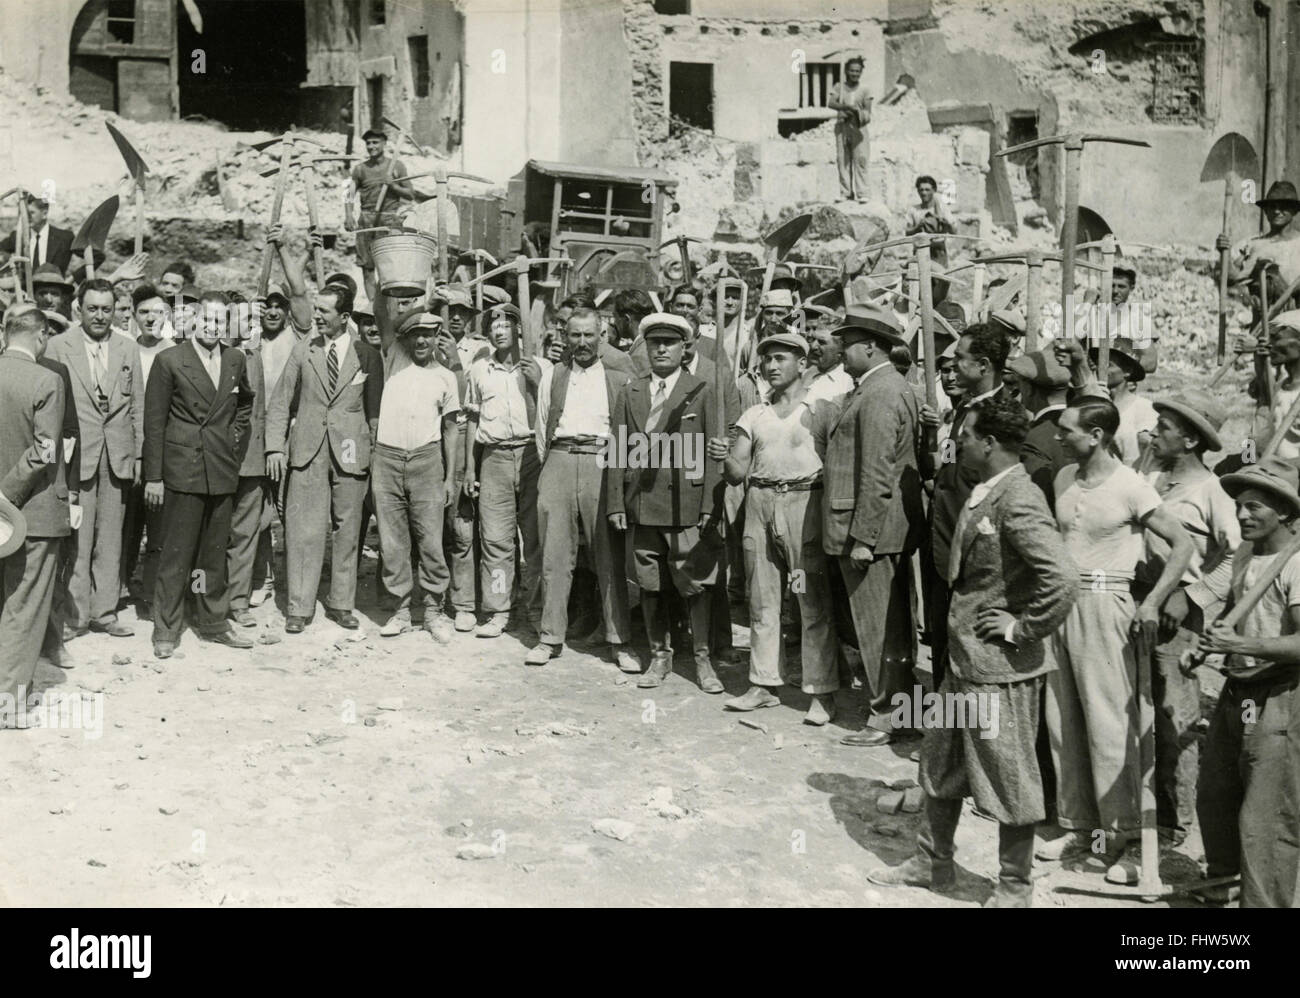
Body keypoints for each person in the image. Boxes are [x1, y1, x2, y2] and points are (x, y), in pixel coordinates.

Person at [868, 394, 1077, 907]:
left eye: (967, 434)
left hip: (999, 669)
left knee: (1009, 781)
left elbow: (1063, 579)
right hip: (965, 662)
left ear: (990, 442)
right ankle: (931, 863)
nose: (958, 439)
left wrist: (1021, 627)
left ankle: (1013, 889)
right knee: (939, 766)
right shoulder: (989, 489)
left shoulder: (1020, 498)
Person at [1037, 396, 1192, 865]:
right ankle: (1080, 828)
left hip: (1109, 605)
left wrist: (1152, 601)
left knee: (1110, 724)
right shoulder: (1064, 477)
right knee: (1062, 719)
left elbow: (1183, 544)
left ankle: (1122, 837)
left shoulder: (1132, 486)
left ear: (1097, 435)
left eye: (1067, 430)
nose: (1059, 438)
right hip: (1063, 604)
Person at [1135, 390, 1240, 846]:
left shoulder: (1211, 492)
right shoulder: (1152, 477)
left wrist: (1192, 598)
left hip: (1177, 620)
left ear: (1192, 441)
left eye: (1165, 428)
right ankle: (1139, 810)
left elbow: (1235, 556)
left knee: (1172, 715)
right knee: (1136, 709)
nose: (1154, 433)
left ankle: (1174, 822)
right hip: (1137, 605)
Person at [1196, 456, 1300, 908]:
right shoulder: (1244, 553)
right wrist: (1203, 645)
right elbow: (1233, 613)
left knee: (1267, 817)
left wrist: (1243, 644)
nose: (1242, 515)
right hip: (1237, 691)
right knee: (1217, 793)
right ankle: (1225, 881)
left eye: (1255, 507)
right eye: (1239, 505)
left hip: (1281, 694)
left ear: (1287, 514)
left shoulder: (1295, 565)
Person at [722, 329, 840, 724]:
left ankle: (821, 691)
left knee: (809, 600)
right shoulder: (754, 414)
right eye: (767, 360)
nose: (771, 366)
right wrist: (725, 457)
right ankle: (763, 683)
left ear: (802, 364)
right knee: (762, 600)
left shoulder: (820, 410)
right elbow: (738, 472)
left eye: (781, 359)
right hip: (759, 505)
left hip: (804, 508)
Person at [606, 314, 727, 692]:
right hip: (642, 502)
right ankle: (660, 655)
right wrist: (615, 504)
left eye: (670, 343)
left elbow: (712, 455)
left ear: (684, 348)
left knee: (693, 583)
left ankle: (703, 660)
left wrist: (709, 503)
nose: (661, 349)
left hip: (685, 505)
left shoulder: (703, 389)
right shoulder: (632, 391)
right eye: (655, 342)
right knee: (650, 583)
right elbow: (617, 449)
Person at [823, 305, 924, 745]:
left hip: (871, 534)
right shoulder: (880, 387)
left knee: (879, 628)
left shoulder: (881, 392)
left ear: (870, 347)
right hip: (876, 530)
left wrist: (863, 537)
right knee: (890, 628)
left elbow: (878, 471)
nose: (841, 353)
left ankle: (886, 716)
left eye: (847, 346)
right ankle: (900, 711)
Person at [142, 291, 255, 659]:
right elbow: (154, 423)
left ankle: (212, 621)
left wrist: (232, 441)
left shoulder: (236, 359)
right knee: (176, 554)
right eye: (206, 319)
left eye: (220, 321)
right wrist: (154, 476)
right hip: (182, 470)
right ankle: (167, 627)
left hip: (219, 469)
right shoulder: (169, 360)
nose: (212, 326)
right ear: (192, 320)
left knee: (211, 555)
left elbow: (244, 404)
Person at [266, 285, 382, 633]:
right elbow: (280, 402)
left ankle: (342, 603)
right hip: (307, 453)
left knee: (348, 532)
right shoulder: (304, 351)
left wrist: (374, 457)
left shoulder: (367, 355)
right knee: (303, 531)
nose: (316, 317)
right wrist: (274, 447)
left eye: (324, 312)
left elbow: (374, 414)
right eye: (316, 310)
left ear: (345, 318)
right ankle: (299, 608)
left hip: (351, 454)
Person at [528, 308, 637, 672]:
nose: (582, 343)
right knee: (555, 556)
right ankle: (549, 637)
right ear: (565, 336)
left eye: (589, 335)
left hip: (602, 463)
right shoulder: (553, 375)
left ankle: (619, 642)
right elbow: (543, 426)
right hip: (559, 459)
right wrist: (552, 470)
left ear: (602, 334)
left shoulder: (618, 378)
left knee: (609, 556)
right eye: (575, 336)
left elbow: (627, 433)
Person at [44, 278, 144, 639]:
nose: (100, 316)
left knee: (111, 537)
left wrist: (139, 455)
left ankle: (105, 611)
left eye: (107, 309)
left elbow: (138, 406)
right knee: (78, 538)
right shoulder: (58, 346)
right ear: (79, 309)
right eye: (93, 308)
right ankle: (76, 615)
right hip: (77, 457)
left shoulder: (127, 348)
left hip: (117, 456)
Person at [926, 324, 1011, 686]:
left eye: (960, 359)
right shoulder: (964, 407)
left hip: (973, 552)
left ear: (983, 366)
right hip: (944, 539)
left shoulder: (1000, 414)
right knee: (942, 638)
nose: (953, 366)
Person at [371, 310, 461, 642]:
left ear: (438, 337)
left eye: (428, 334)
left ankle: (435, 611)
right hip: (387, 458)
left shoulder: (446, 377)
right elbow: (384, 312)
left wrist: (450, 477)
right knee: (393, 542)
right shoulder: (395, 359)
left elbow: (451, 430)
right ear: (405, 338)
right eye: (415, 334)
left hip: (427, 460)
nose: (422, 340)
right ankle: (400, 611)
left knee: (430, 539)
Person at [0, 305, 70, 728]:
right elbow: (45, 450)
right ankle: (8, 704)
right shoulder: (47, 379)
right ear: (41, 335)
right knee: (23, 608)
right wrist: (5, 495)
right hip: (32, 511)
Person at [464, 305, 548, 639]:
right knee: (496, 539)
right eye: (493, 326)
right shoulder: (479, 369)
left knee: (535, 540)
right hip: (494, 456)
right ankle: (499, 610)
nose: (499, 331)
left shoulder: (540, 366)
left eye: (506, 325)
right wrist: (471, 466)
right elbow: (472, 418)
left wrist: (538, 383)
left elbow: (550, 412)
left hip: (531, 456)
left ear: (518, 330)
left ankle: (538, 610)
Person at [121, 284, 173, 616]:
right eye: (143, 313)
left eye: (156, 312)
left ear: (167, 314)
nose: (150, 318)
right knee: (126, 527)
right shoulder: (126, 351)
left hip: (165, 457)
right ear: (134, 316)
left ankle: (154, 595)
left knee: (160, 530)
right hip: (128, 454)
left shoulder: (176, 353)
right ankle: (121, 587)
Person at [223, 313, 272, 630]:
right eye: (240, 319)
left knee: (244, 534)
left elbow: (260, 410)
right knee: (211, 535)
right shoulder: (209, 355)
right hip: (213, 460)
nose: (248, 325)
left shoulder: (254, 358)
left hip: (250, 460)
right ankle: (205, 598)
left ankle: (238, 601)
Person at [346, 129, 416, 302]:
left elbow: (410, 194)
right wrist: (348, 215)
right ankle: (372, 308)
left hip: (390, 221)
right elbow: (349, 195)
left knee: (390, 268)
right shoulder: (360, 169)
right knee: (367, 268)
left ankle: (391, 305)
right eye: (368, 143)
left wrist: (393, 186)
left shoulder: (396, 166)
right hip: (367, 221)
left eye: (375, 142)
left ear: (384, 144)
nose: (371, 146)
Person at [1004, 349, 1071, 510]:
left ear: (1029, 389)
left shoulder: (1034, 438)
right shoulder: (1083, 426)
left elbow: (1035, 502)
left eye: (1020, 385)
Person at [1222, 179, 1300, 293]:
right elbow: (1233, 279)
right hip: (1264, 307)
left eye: (1283, 206)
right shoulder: (1253, 245)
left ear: (1294, 210)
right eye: (1272, 206)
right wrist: (1225, 253)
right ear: (1266, 211)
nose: (1277, 211)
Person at [827, 55, 872, 202]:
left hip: (859, 129)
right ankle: (845, 192)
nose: (855, 74)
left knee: (861, 159)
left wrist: (856, 113)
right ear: (846, 71)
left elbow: (868, 112)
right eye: (852, 71)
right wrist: (845, 107)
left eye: (857, 71)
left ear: (861, 72)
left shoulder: (865, 89)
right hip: (842, 127)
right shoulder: (839, 87)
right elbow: (831, 103)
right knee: (843, 160)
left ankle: (862, 193)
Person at [0, 194, 74, 279]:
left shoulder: (65, 238)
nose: (26, 217)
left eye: (31, 213)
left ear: (44, 214)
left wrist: (74, 278)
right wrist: (8, 258)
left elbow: (90, 255)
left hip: (53, 290)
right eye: (24, 213)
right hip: (25, 291)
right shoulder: (18, 237)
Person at [904, 175, 955, 266]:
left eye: (927, 189)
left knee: (941, 278)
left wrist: (945, 223)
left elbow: (954, 231)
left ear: (934, 190)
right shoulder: (913, 210)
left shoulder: (943, 209)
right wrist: (918, 226)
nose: (924, 193)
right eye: (921, 190)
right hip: (920, 251)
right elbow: (907, 233)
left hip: (939, 252)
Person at [802, 322, 855, 404]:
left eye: (822, 342)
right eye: (813, 340)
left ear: (840, 350)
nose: (813, 346)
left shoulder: (846, 383)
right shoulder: (804, 373)